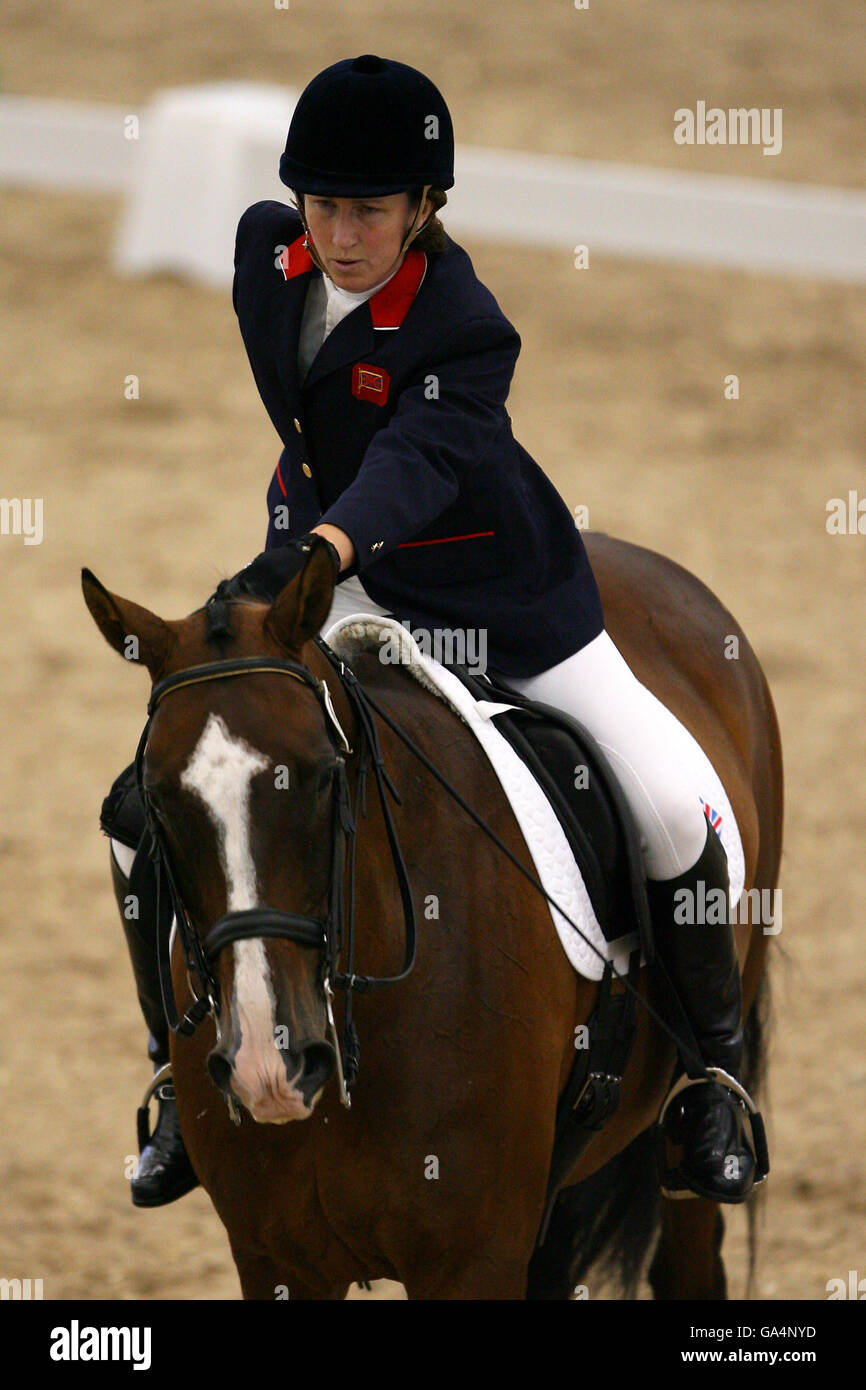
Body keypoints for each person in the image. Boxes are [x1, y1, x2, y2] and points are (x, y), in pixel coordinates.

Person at [102, 54, 763, 1208]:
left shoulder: (466, 330)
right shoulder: (269, 257)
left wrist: (324, 550)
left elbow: (412, 466)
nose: (341, 234)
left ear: (423, 208)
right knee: (141, 803)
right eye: (324, 207)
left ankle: (709, 1076)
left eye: (368, 211)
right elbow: (319, 422)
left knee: (669, 803)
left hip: (495, 604)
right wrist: (310, 553)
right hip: (329, 574)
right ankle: (175, 1074)